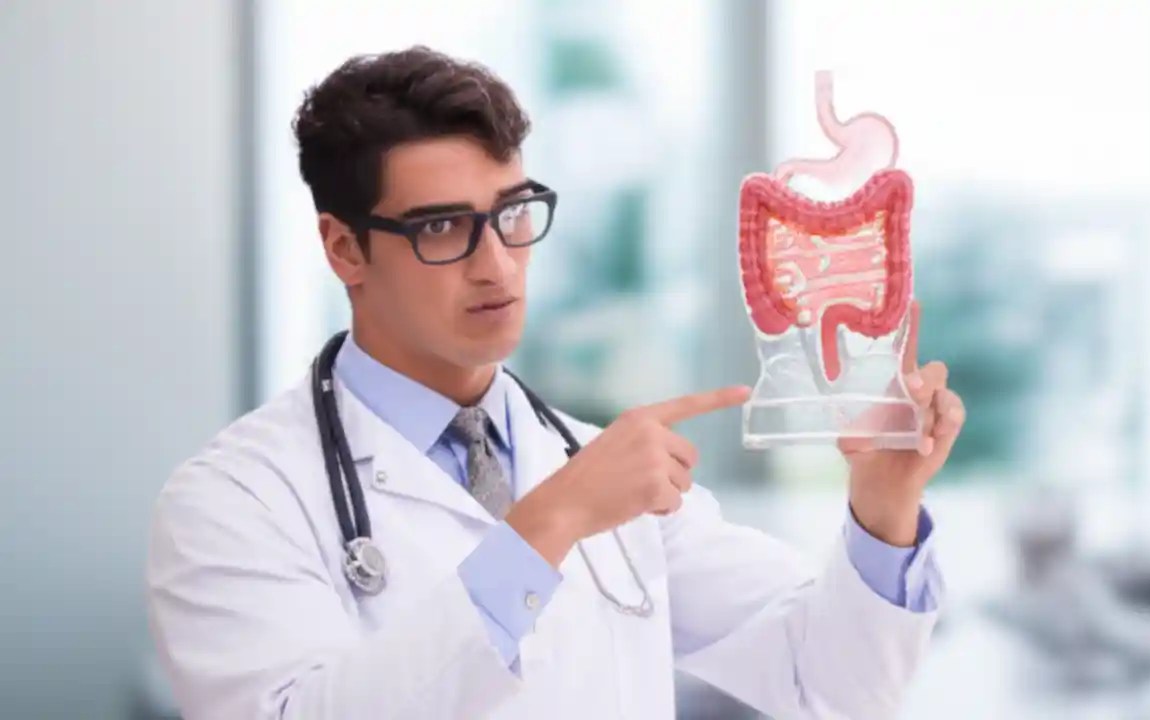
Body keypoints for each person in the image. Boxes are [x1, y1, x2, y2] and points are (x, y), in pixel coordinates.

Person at [146, 46, 965, 720]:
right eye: (441, 227)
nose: (497, 264)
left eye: (511, 212)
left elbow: (829, 682)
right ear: (345, 249)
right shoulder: (237, 499)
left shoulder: (588, 463)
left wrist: (884, 505)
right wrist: (553, 520)